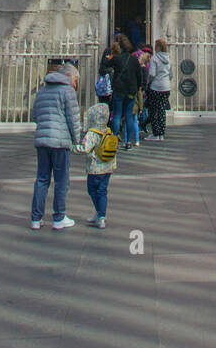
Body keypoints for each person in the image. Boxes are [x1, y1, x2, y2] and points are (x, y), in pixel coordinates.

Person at [30, 61, 82, 230]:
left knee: (42, 179)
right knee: (61, 180)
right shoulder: (67, 92)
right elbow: (73, 119)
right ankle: (59, 217)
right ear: (69, 77)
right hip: (60, 141)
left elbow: (35, 115)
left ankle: (36, 218)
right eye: (75, 80)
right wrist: (77, 140)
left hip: (43, 140)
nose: (76, 84)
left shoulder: (42, 91)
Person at [78, 99, 118, 228]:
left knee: (92, 189)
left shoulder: (92, 133)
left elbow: (85, 148)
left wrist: (72, 147)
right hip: (109, 166)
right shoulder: (108, 130)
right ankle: (100, 214)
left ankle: (100, 214)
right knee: (102, 190)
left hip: (95, 168)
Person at [109, 35, 142, 150]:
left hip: (119, 90)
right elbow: (139, 75)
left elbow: (106, 65)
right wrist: (138, 87)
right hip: (131, 91)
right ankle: (128, 142)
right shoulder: (134, 60)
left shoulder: (117, 59)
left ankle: (114, 141)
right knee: (129, 116)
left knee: (117, 115)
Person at [144, 37, 173, 138]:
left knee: (153, 111)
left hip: (156, 87)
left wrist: (149, 83)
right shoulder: (168, 58)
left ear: (158, 47)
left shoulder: (155, 58)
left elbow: (152, 74)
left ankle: (155, 133)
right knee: (161, 110)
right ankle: (161, 133)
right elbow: (171, 74)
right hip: (166, 87)